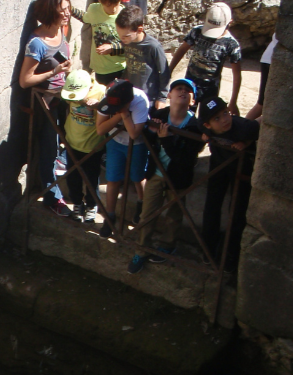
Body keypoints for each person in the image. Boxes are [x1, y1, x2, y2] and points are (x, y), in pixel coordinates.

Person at [127, 78, 205, 273]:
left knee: (174, 216)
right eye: (178, 88)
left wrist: (167, 140)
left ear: (192, 101)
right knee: (147, 213)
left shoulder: (194, 127)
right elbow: (148, 136)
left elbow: (185, 159)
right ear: (169, 95)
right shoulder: (160, 115)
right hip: (156, 173)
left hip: (179, 178)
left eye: (188, 91)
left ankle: (167, 246)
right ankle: (141, 250)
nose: (182, 92)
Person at [19, 0, 75, 218]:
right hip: (45, 106)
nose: (67, 14)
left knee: (70, 142)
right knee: (49, 150)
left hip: (64, 99)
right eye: (62, 11)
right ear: (50, 12)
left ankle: (67, 180)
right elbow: (25, 80)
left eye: (68, 9)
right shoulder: (37, 44)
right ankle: (52, 198)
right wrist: (54, 71)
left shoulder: (63, 30)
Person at [199, 96, 259, 274]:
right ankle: (208, 249)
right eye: (217, 118)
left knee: (237, 212)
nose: (225, 119)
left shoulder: (243, 127)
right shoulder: (203, 126)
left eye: (225, 113)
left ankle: (230, 256)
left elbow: (260, 125)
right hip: (219, 166)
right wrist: (205, 134)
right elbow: (198, 125)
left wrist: (247, 143)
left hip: (242, 171)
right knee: (212, 206)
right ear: (208, 125)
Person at [94, 79, 150, 238]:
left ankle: (142, 205)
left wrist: (124, 113)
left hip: (137, 145)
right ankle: (109, 216)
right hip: (115, 142)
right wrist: (119, 115)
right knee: (112, 179)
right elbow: (100, 129)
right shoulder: (110, 98)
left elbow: (134, 133)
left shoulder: (140, 100)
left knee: (138, 177)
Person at [169, 2, 242, 114]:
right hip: (190, 85)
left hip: (210, 89)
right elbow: (182, 49)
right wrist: (169, 70)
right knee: (184, 114)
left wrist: (233, 101)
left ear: (230, 22)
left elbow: (237, 75)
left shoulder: (231, 44)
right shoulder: (197, 32)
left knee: (207, 117)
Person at [60, 69, 106, 221]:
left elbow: (111, 112)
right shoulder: (71, 88)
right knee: (73, 177)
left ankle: (92, 206)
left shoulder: (101, 92)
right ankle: (77, 203)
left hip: (92, 146)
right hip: (72, 142)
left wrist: (99, 106)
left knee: (91, 178)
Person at [111, 5, 170, 109]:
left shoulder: (154, 46)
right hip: (130, 93)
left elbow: (164, 73)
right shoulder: (127, 41)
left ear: (139, 29)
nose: (122, 39)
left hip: (148, 97)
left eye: (125, 36)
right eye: (119, 35)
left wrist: (162, 98)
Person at [70, 0, 126, 85]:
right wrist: (71, 9)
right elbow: (85, 18)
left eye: (116, 4)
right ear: (100, 1)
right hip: (99, 68)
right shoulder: (94, 9)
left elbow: (130, 44)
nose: (114, 9)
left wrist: (112, 47)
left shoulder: (124, 16)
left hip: (119, 68)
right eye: (109, 5)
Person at [246, 32, 277, 121]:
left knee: (262, 104)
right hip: (272, 60)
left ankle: (243, 128)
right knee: (264, 105)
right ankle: (243, 129)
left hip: (269, 57)